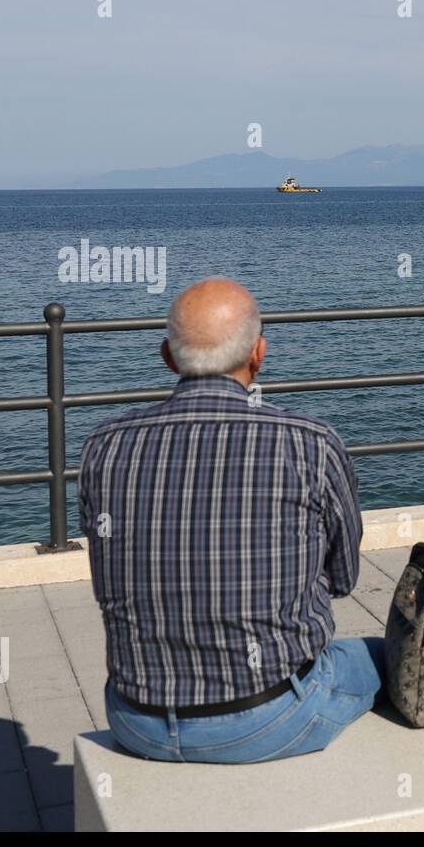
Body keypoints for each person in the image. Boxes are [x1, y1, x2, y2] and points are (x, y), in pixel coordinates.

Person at [77, 277, 381, 763]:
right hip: (270, 716)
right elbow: (343, 578)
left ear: (168, 357)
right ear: (258, 353)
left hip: (136, 718)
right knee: (385, 655)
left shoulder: (103, 446)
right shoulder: (310, 442)